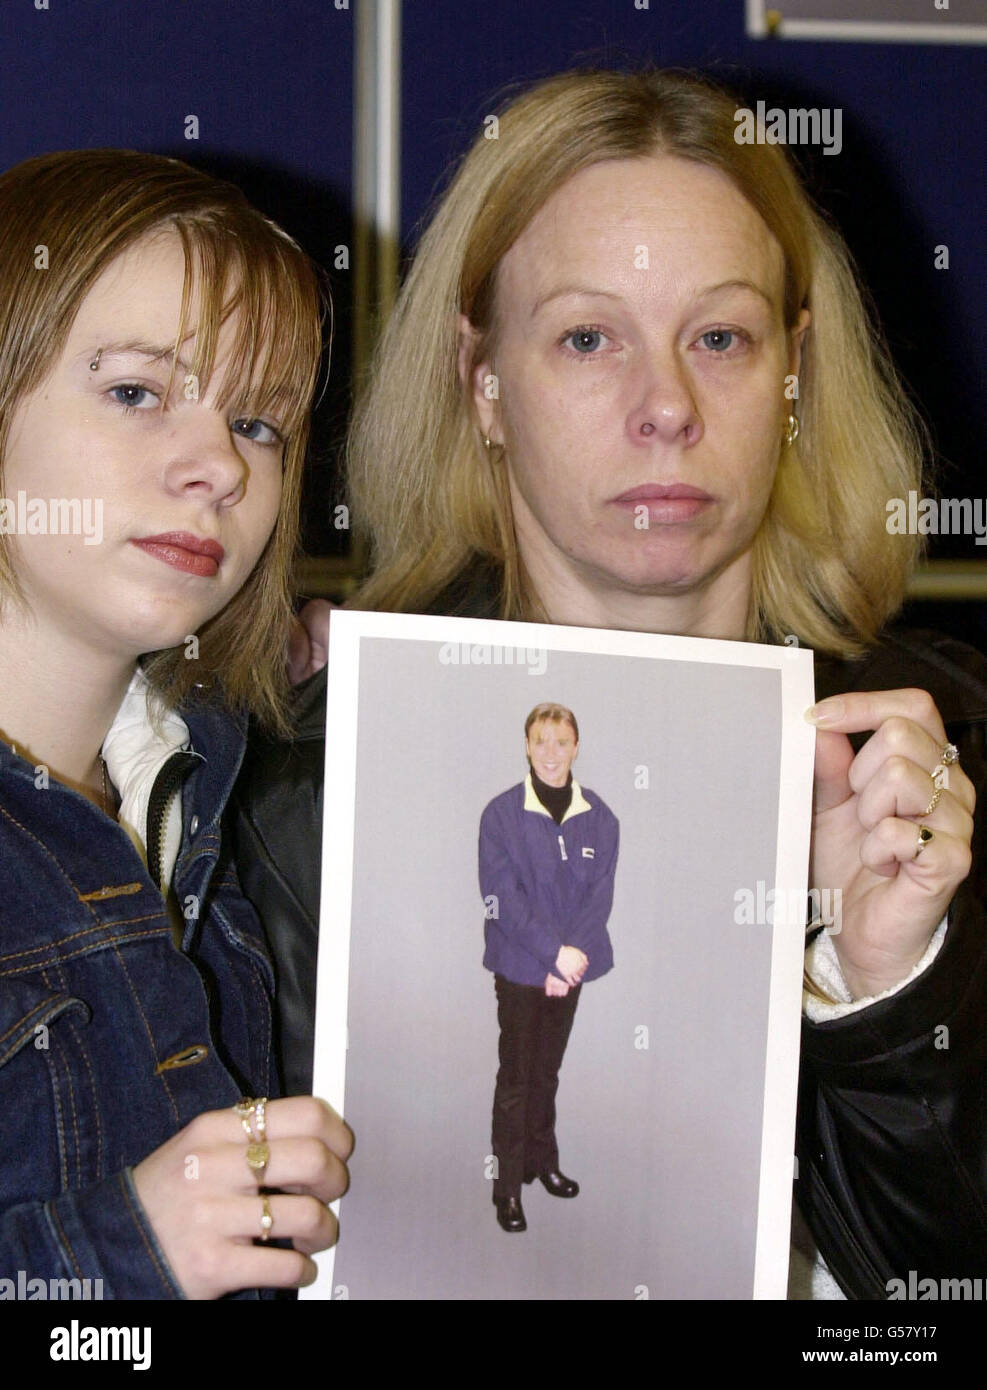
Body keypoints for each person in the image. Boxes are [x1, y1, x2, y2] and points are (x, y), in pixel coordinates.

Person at [232, 68, 986, 1299]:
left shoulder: (949, 768)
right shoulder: (301, 793)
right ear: (483, 379)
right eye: (589, 337)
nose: (666, 408)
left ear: (794, 371)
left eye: (720, 337)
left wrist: (884, 986)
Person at [0, 149, 352, 1299]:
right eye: (136, 392)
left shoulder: (206, 798)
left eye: (258, 422)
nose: (217, 469)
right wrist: (122, 1257)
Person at [479, 703, 618, 1232]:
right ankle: (507, 1189)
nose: (552, 752)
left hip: (572, 968)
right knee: (516, 1078)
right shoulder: (500, 816)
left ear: (576, 747)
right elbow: (500, 898)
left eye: (562, 742)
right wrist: (552, 956)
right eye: (541, 741)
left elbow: (598, 897)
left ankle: (542, 1163)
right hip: (520, 967)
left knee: (547, 1073)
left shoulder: (601, 818)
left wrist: (571, 958)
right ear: (527, 746)